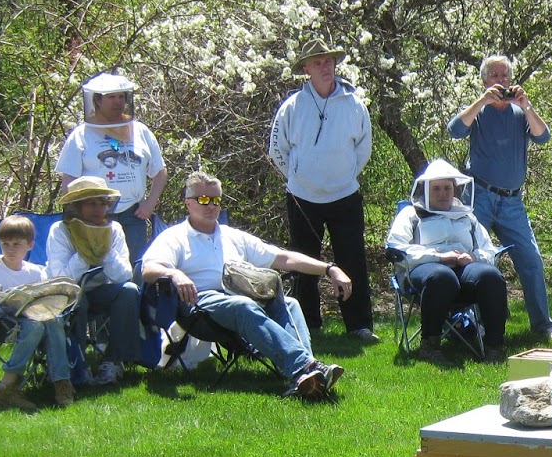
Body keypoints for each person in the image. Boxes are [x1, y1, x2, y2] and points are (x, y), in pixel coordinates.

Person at [141, 172, 348, 400]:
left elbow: (284, 258)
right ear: (188, 203)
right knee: (243, 304)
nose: (211, 205)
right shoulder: (174, 237)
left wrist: (330, 268)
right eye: (203, 199)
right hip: (199, 307)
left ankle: (306, 377)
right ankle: (306, 368)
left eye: (216, 200)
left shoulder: (233, 237)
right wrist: (174, 273)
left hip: (239, 297)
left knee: (289, 303)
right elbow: (148, 269)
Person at [269, 38, 377, 343]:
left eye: (328, 61)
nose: (324, 67)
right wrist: (298, 178)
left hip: (345, 195)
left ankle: (359, 325)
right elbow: (277, 149)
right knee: (303, 261)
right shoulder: (292, 107)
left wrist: (344, 176)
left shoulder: (354, 104)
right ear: (306, 69)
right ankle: (308, 324)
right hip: (302, 198)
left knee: (352, 259)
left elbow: (363, 148)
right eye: (317, 63)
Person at [447, 55, 552, 342]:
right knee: (473, 259)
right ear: (485, 81)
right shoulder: (478, 110)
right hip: (480, 197)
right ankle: (470, 325)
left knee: (531, 259)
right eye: (494, 76)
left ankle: (543, 326)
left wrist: (527, 105)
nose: (500, 80)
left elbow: (543, 137)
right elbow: (455, 130)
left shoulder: (520, 112)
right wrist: (481, 101)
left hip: (512, 202)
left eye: (505, 75)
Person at [386, 159, 508, 364]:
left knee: (491, 276)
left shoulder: (467, 216)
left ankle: (495, 346)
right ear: (425, 190)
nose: (442, 193)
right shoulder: (411, 214)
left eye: (447, 188)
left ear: (455, 190)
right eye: (436, 189)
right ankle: (430, 345)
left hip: (464, 269)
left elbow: (488, 248)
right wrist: (439, 256)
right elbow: (396, 248)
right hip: (424, 271)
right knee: (442, 277)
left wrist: (474, 257)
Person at [0, 215, 74, 411]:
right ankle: (7, 387)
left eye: (17, 244)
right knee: (35, 326)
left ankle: (61, 381)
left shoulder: (36, 272)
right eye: (5, 244)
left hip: (26, 319)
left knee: (53, 319)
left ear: (30, 245)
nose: (10, 249)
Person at [55, 71, 167, 263]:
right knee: (97, 267)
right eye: (111, 97)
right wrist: (78, 214)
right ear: (97, 100)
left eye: (121, 97)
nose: (118, 102)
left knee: (135, 266)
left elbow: (160, 171)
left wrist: (150, 203)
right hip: (94, 216)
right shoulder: (81, 135)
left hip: (133, 214)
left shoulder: (140, 131)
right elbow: (68, 181)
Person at [47, 177, 148, 387]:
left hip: (102, 291)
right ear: (76, 206)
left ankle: (113, 361)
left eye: (102, 203)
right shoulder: (60, 230)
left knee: (129, 290)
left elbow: (124, 275)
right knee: (79, 300)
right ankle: (78, 364)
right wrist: (85, 253)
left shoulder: (114, 229)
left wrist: (103, 247)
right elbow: (60, 278)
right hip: (68, 295)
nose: (98, 209)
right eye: (91, 203)